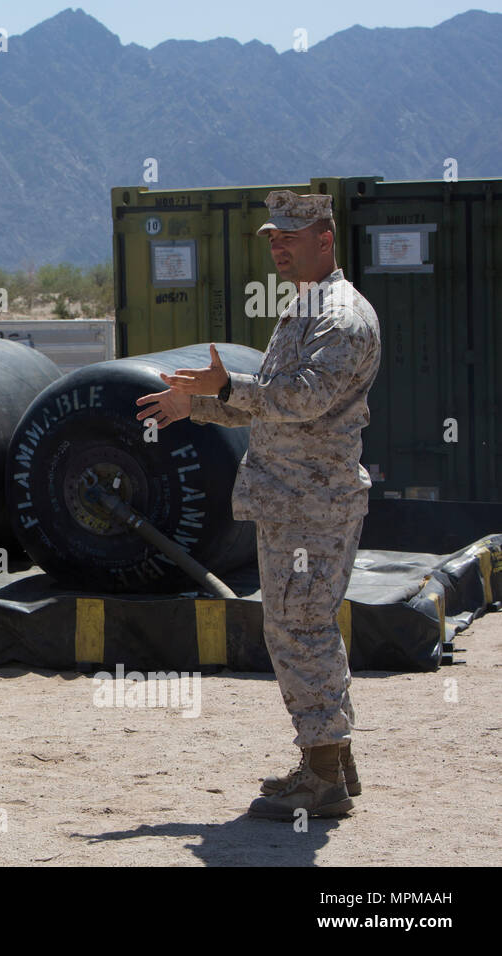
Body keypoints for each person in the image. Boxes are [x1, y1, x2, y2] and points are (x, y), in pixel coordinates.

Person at [136, 190, 381, 820]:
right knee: (303, 628)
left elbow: (303, 400)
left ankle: (323, 776)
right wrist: (201, 405)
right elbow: (269, 401)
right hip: (295, 500)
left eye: (290, 237)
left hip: (312, 506)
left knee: (299, 630)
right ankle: (331, 761)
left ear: (325, 239)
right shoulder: (308, 306)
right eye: (273, 237)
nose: (277, 247)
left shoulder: (340, 316)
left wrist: (224, 387)